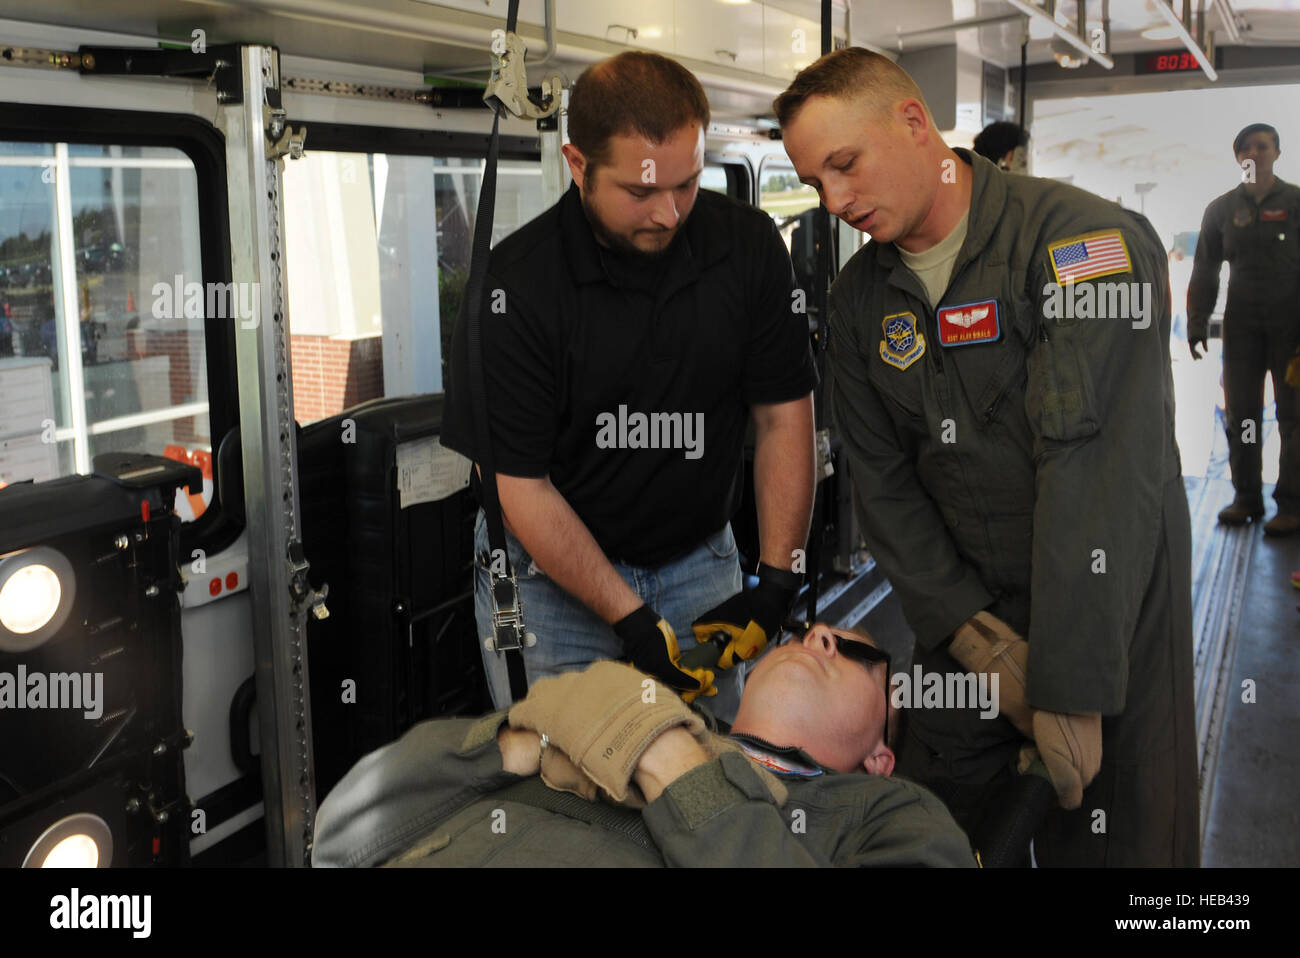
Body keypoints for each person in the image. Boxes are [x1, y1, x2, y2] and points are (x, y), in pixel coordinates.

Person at [773, 48, 1199, 866]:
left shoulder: (1083, 246)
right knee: (940, 835)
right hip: (964, 616)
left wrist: (1068, 689)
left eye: (845, 166)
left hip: (1110, 616)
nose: (834, 200)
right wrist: (984, 648)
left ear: (912, 121)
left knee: (1121, 844)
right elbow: (885, 486)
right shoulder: (862, 301)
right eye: (815, 181)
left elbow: (1095, 475)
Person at [441, 52, 817, 720]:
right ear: (578, 164)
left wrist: (779, 576)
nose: (669, 214)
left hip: (701, 559)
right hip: (549, 587)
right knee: (569, 790)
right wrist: (633, 621)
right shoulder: (516, 287)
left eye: (686, 185)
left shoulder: (749, 247)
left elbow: (782, 415)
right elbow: (519, 486)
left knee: (708, 776)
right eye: (641, 193)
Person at [311, 624, 977, 867]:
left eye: (860, 653)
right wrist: (512, 747)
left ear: (880, 759)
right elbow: (341, 834)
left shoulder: (889, 813)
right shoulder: (602, 723)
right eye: (804, 633)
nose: (821, 639)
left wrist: (671, 763)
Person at [1187, 123, 1300, 534]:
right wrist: (1197, 321)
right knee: (1244, 416)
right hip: (1242, 331)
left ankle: (1291, 504)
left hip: (1292, 330)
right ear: (1238, 157)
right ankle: (1246, 497)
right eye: (1247, 147)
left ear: (1276, 152)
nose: (1256, 152)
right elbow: (1204, 269)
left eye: (1263, 145)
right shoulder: (1220, 210)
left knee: (1294, 419)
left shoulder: (1296, 202)